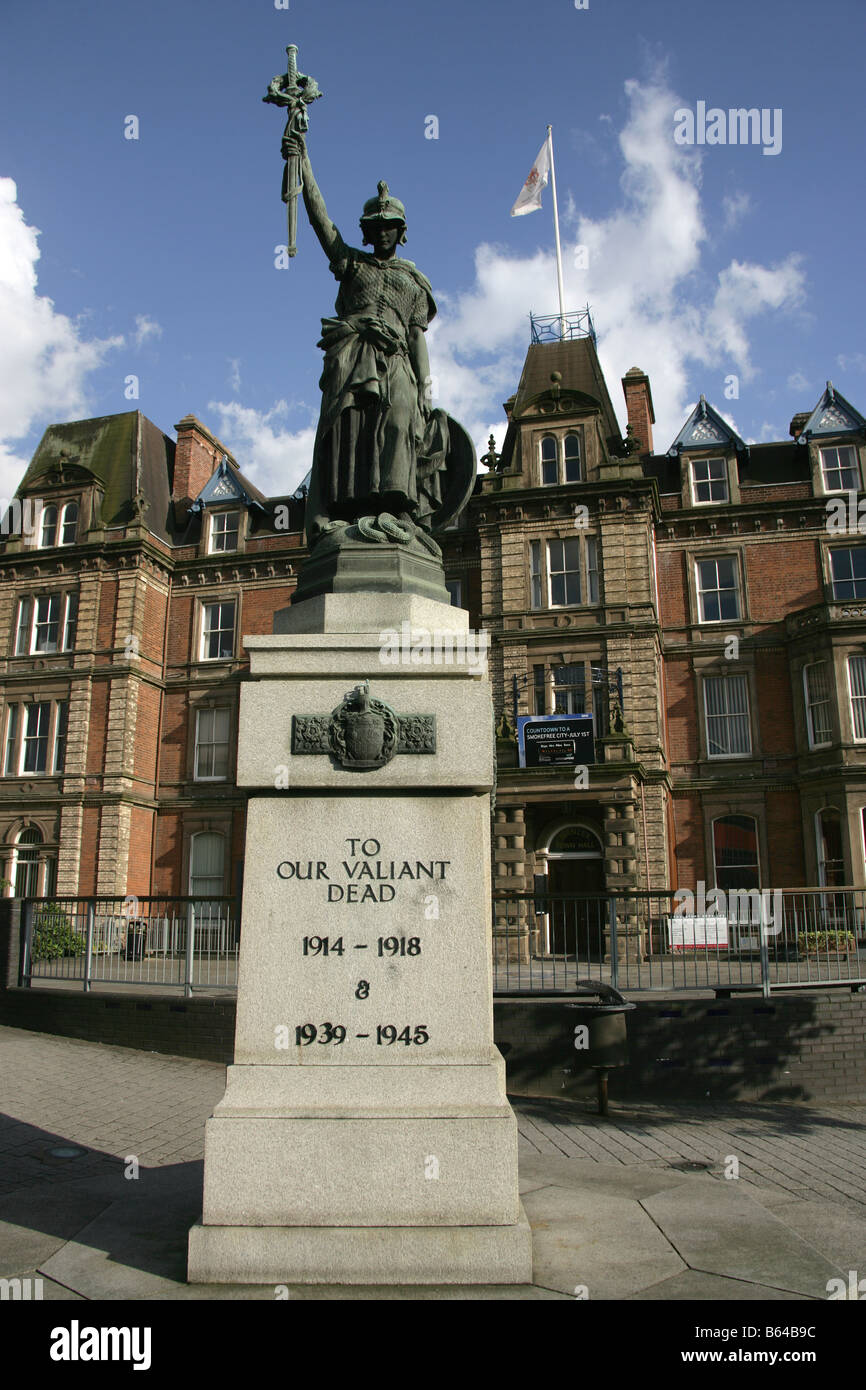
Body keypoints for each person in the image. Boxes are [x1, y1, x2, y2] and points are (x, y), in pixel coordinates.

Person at [291, 134, 450, 549]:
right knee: (352, 432)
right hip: (351, 357)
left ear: (401, 233)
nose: (382, 234)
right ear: (366, 233)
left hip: (396, 359)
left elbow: (417, 338)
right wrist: (302, 158)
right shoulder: (350, 264)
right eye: (375, 228)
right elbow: (319, 221)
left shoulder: (413, 281)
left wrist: (426, 390)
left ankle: (395, 506)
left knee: (399, 418)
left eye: (390, 228)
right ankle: (349, 509)